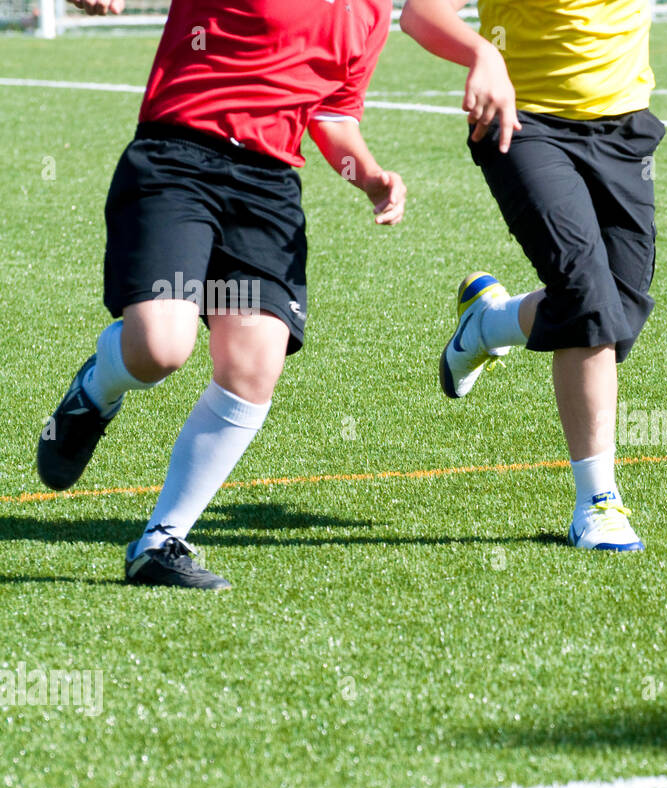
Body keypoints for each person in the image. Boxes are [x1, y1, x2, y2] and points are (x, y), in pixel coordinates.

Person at [400, 0, 667, 551]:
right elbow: (420, 12)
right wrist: (481, 52)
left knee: (615, 307)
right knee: (587, 299)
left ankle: (488, 323)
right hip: (521, 124)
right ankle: (597, 502)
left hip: (624, 130)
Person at [36, 0, 406, 589]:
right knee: (160, 350)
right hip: (176, 161)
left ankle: (161, 542)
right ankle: (96, 388)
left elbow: (334, 115)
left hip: (267, 189)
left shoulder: (371, 12)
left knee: (252, 365)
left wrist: (368, 175)